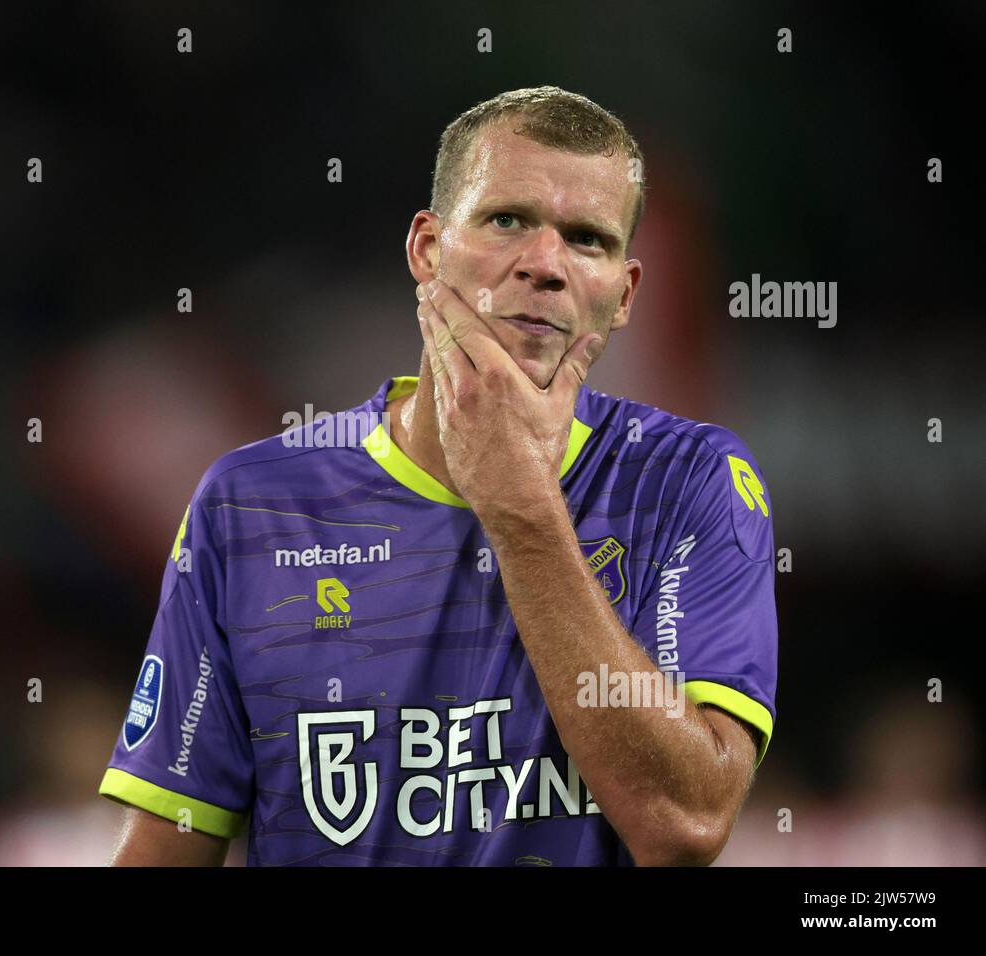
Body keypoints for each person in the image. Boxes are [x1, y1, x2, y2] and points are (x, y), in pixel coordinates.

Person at [100, 86, 777, 866]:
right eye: (508, 220)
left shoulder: (690, 483)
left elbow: (686, 823)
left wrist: (521, 507)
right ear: (427, 250)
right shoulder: (252, 505)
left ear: (621, 297)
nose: (546, 265)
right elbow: (165, 845)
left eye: (587, 238)